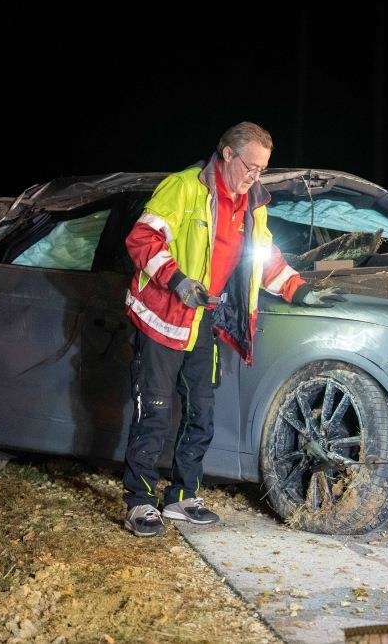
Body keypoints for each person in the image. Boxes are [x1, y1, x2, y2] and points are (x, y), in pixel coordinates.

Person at [121, 121, 345, 537]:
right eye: (251, 167)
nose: (256, 176)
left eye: (263, 170)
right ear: (227, 155)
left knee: (201, 413)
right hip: (163, 317)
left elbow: (263, 259)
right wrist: (177, 280)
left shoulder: (252, 204)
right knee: (153, 412)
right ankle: (140, 502)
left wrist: (299, 290)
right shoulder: (184, 187)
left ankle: (183, 497)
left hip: (205, 320)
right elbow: (142, 239)